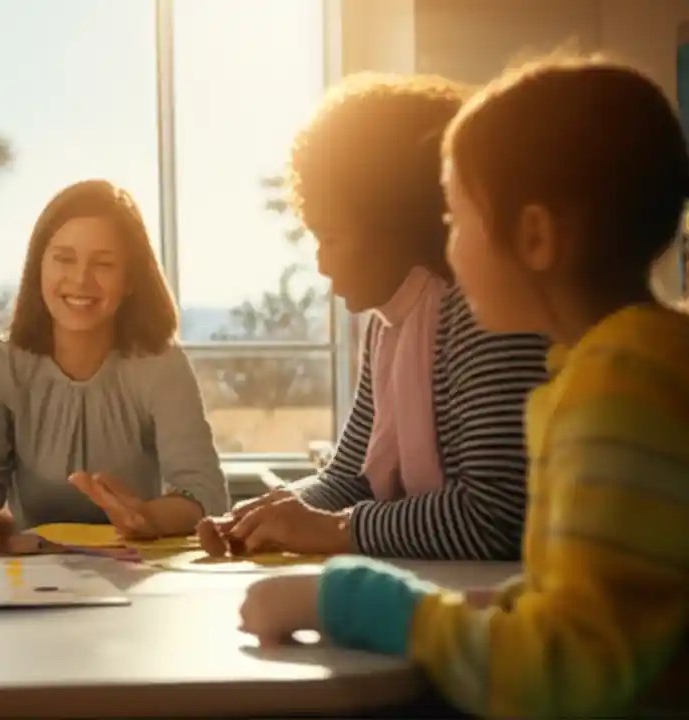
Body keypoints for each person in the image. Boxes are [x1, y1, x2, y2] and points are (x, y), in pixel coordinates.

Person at [239, 56, 689, 718]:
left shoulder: (614, 397)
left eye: (453, 219)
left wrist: (354, 601)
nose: (445, 245)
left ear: (533, 235)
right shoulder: (621, 368)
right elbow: (591, 601)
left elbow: (566, 671)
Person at [200, 74, 547, 561]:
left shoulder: (484, 317)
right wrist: (266, 515)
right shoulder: (391, 326)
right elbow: (349, 477)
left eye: (332, 238)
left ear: (398, 226)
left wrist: (335, 530)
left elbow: (495, 515)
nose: (321, 262)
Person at [0, 179, 229, 554]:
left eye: (104, 264)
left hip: (137, 574)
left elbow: (205, 495)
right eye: (63, 258)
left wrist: (147, 517)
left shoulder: (162, 365)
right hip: (30, 576)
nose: (80, 279)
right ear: (38, 267)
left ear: (130, 280)